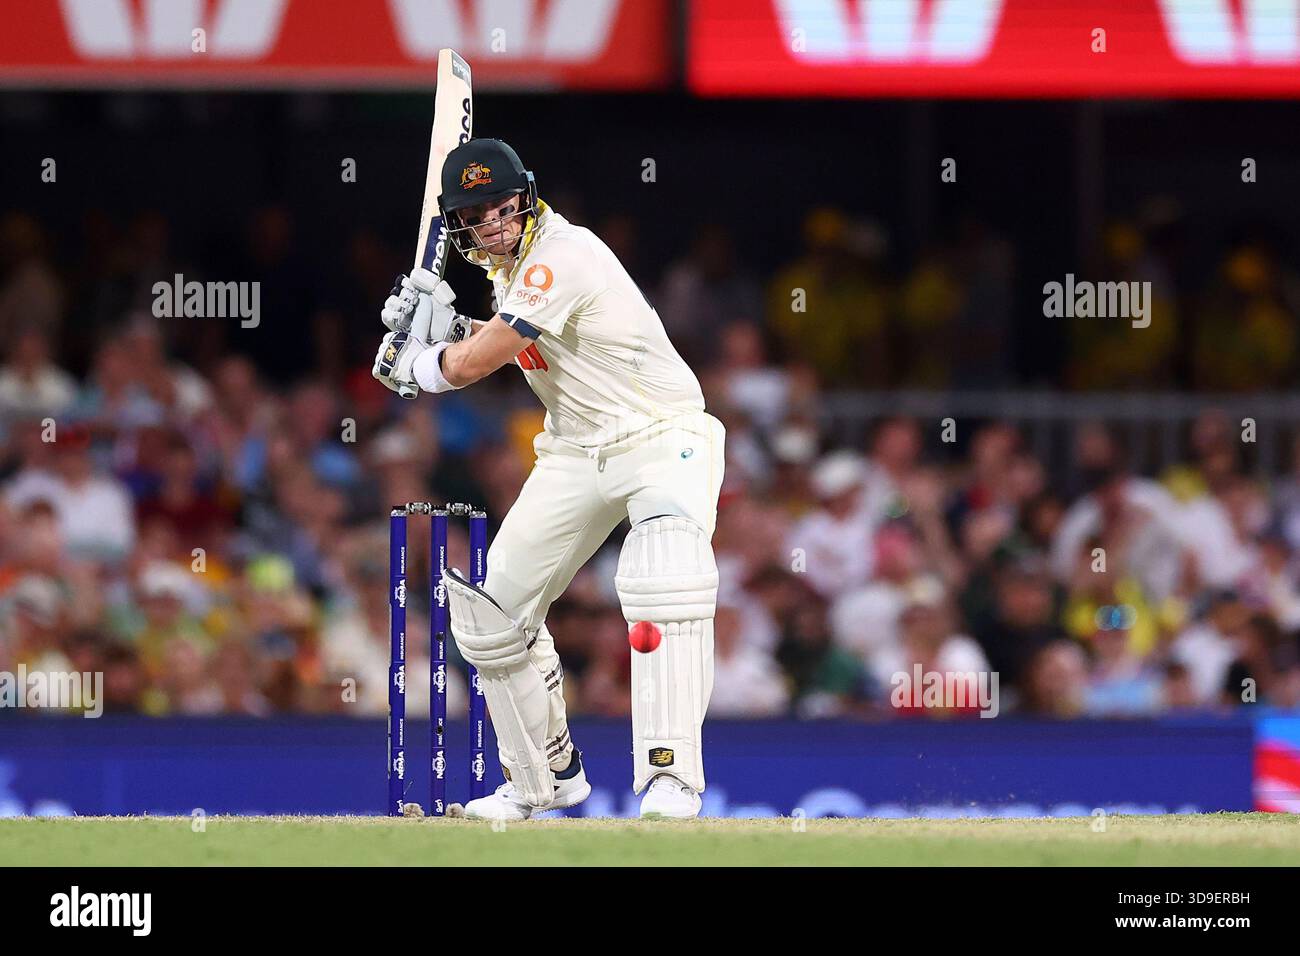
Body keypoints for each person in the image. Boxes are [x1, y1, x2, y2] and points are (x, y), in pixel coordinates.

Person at [373, 139, 726, 820]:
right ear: (461, 226)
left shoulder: (565, 253)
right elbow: (517, 340)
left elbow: (472, 366)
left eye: (504, 207)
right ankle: (544, 779)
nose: (496, 224)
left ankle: (670, 780)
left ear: (527, 197)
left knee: (662, 576)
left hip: (663, 434)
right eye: (478, 215)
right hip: (575, 449)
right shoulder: (509, 277)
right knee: (491, 616)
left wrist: (416, 363)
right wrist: (445, 327)